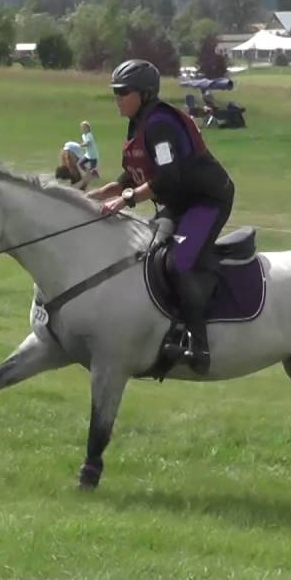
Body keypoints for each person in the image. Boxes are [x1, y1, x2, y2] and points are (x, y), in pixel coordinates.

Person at [90, 59, 235, 375]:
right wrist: (96, 195)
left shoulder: (160, 126)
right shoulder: (139, 123)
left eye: (122, 92)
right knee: (147, 252)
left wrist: (124, 201)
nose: (117, 98)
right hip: (181, 203)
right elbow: (131, 177)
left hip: (206, 201)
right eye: (115, 92)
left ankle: (199, 345)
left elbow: (167, 178)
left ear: (142, 94)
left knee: (177, 260)